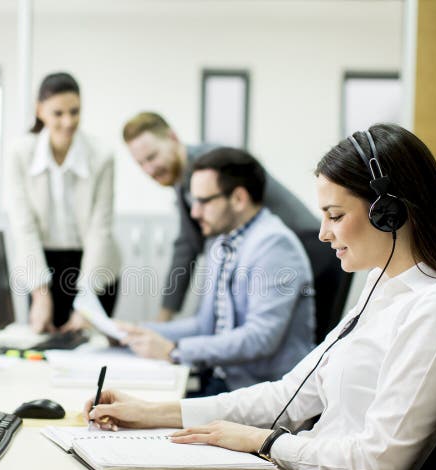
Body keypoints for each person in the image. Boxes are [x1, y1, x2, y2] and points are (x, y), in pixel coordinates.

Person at [87, 124, 436, 470]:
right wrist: (152, 413)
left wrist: (262, 442)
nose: (323, 234)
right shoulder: (384, 290)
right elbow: (288, 395)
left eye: (336, 215)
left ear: (388, 212)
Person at [120, 147, 315, 395]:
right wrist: (139, 332)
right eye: (192, 201)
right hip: (221, 382)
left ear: (238, 199)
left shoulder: (275, 246)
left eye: (203, 201)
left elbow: (260, 338)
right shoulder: (221, 242)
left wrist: (174, 350)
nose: (194, 213)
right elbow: (205, 324)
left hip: (259, 392)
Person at [122, 112, 320, 322]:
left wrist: (181, 327)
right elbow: (187, 245)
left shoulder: (210, 167)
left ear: (173, 138)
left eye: (152, 157)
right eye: (140, 163)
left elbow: (201, 248)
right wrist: (166, 320)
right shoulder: (184, 180)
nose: (149, 169)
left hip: (309, 248)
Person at [5, 72, 120, 333]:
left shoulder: (102, 156)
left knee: (87, 346)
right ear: (40, 110)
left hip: (95, 264)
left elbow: (100, 229)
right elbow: (24, 227)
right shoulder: (20, 153)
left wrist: (87, 299)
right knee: (46, 345)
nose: (68, 121)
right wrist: (40, 292)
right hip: (41, 264)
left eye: (75, 111)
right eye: (58, 113)